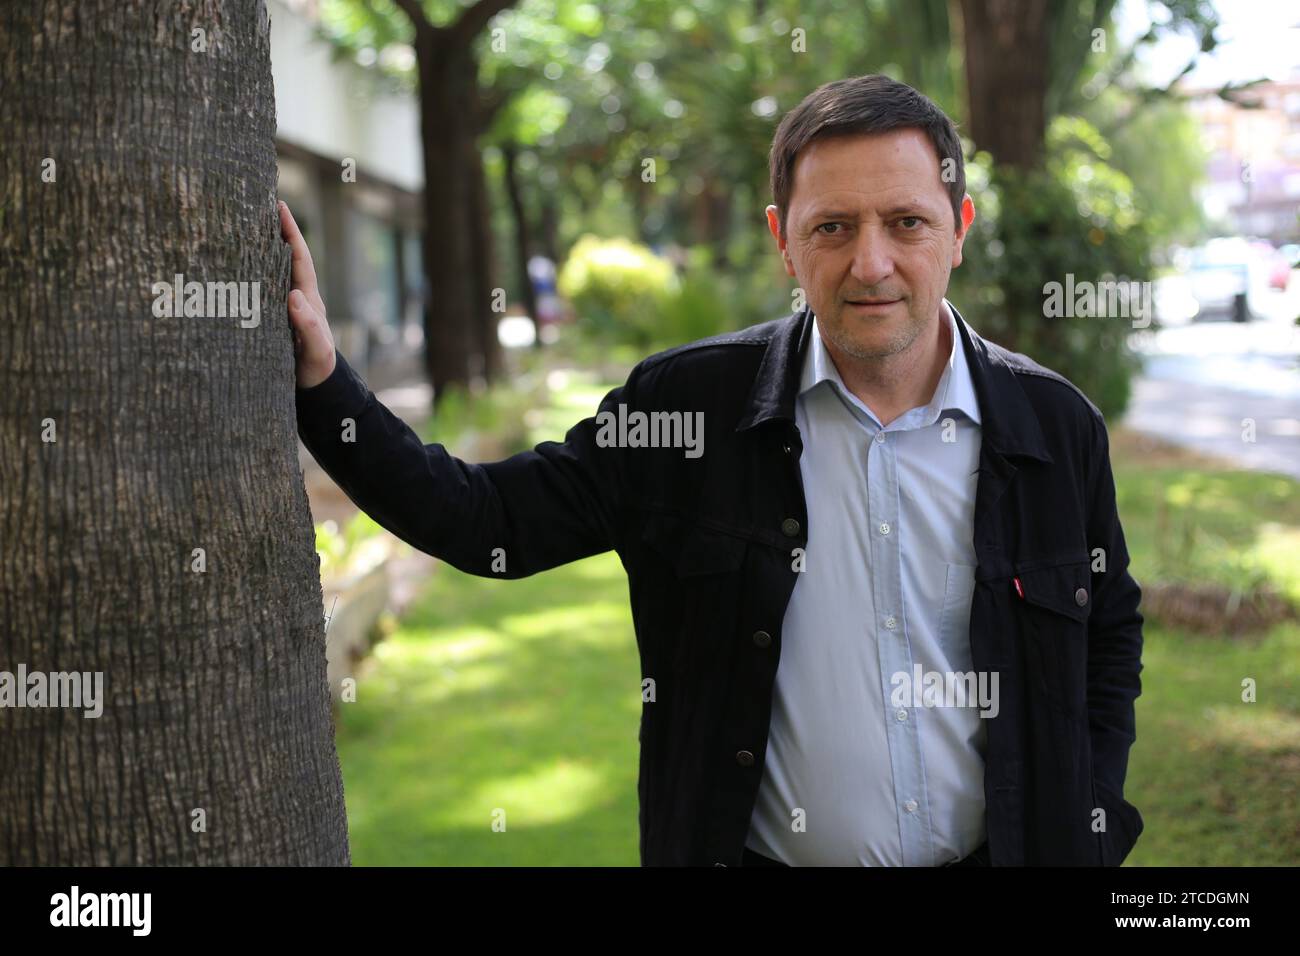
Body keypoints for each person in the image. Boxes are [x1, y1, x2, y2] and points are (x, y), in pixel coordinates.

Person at [284, 73, 1144, 867]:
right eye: (833, 227)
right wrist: (325, 382)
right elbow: (482, 520)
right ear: (783, 241)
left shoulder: (1054, 427)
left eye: (906, 222)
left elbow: (1108, 631)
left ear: (958, 230)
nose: (870, 263)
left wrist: (1092, 814)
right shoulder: (685, 409)